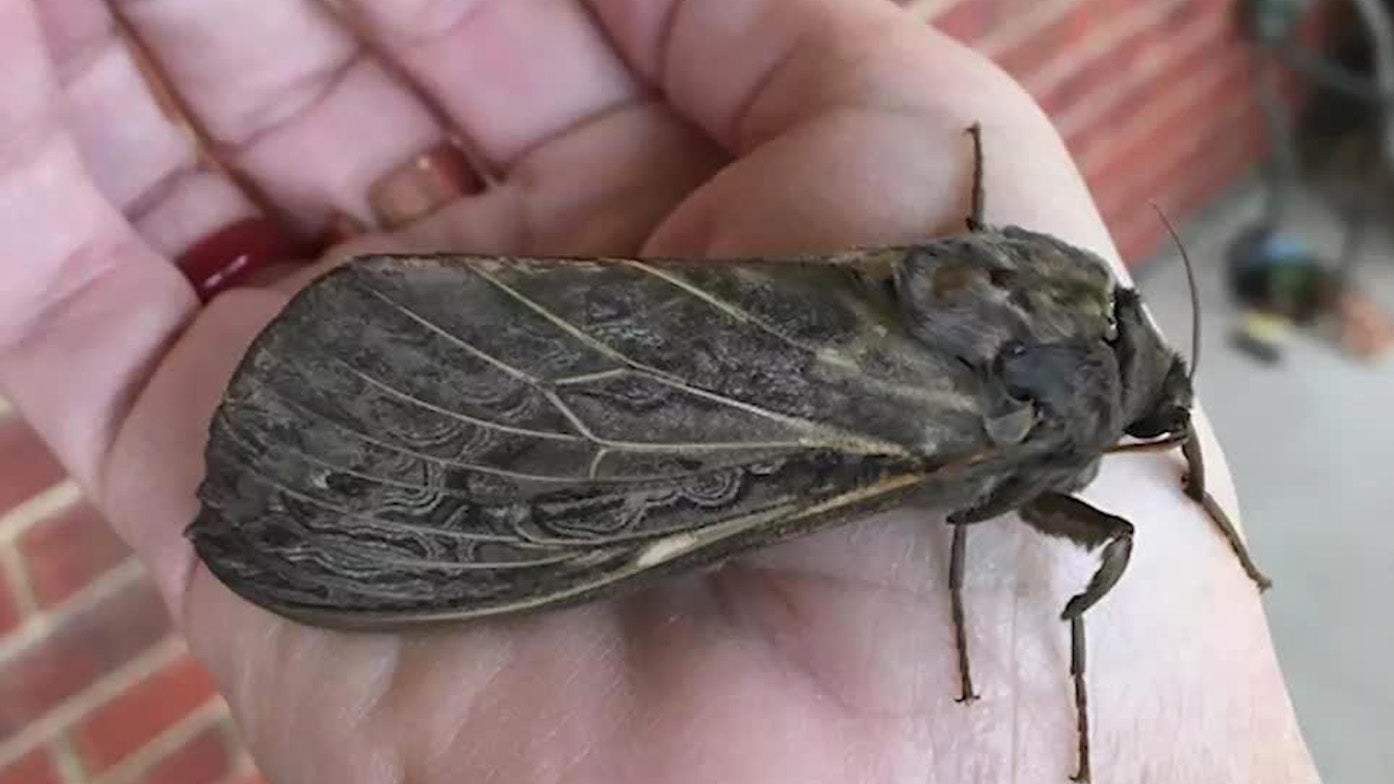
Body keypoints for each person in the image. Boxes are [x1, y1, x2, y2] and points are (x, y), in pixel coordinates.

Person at [0, 0, 1321, 781]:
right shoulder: (1021, 450)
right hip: (715, 425)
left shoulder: (1049, 292)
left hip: (760, 343)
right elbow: (989, 516)